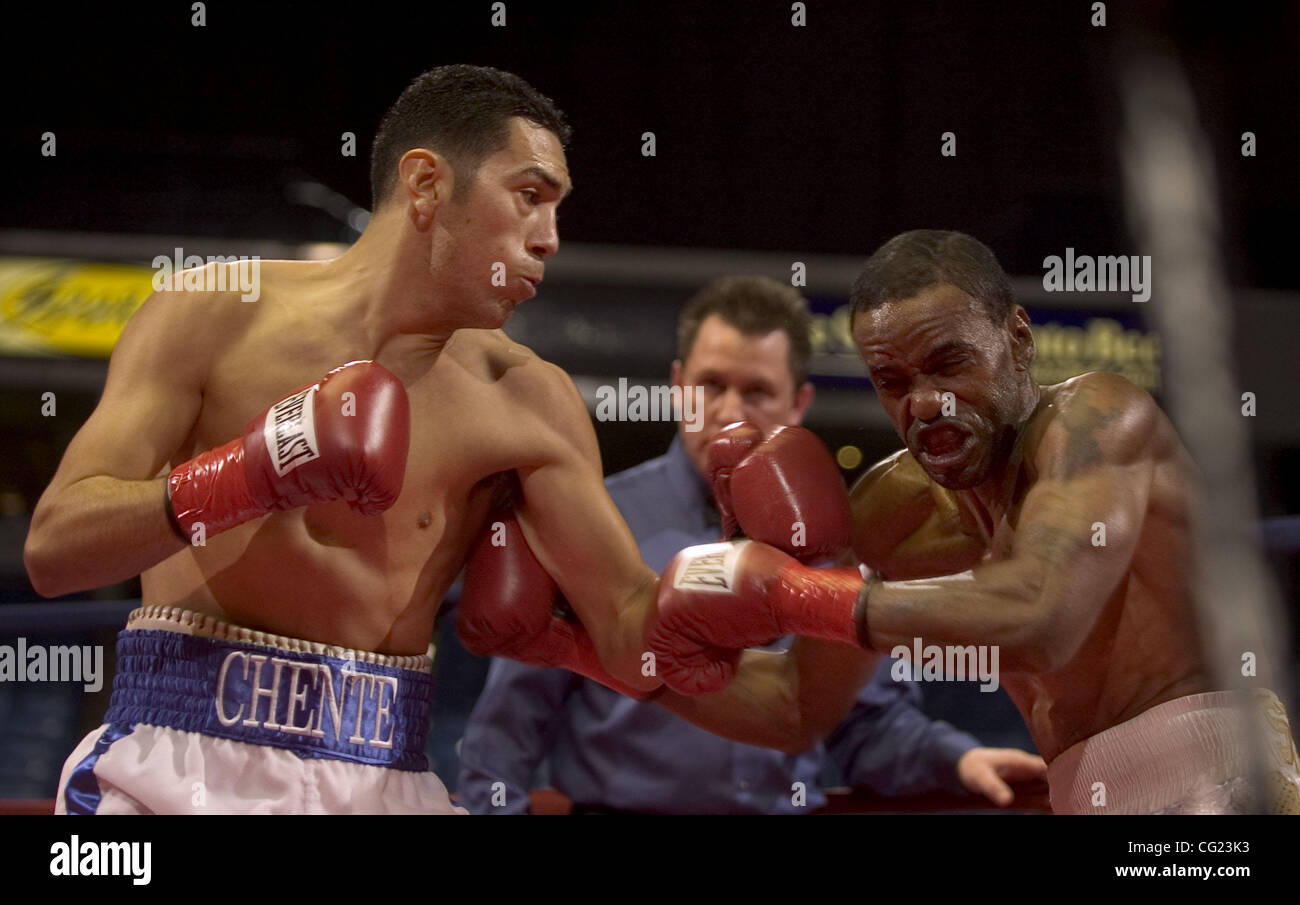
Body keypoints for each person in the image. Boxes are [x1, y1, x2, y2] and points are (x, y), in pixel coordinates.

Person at [25, 64, 669, 814]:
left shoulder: (529, 401)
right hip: (173, 761)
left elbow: (633, 630)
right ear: (426, 183)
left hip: (386, 777)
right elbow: (54, 550)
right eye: (530, 196)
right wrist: (249, 475)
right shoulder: (213, 311)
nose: (550, 239)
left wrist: (772, 614)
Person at [648, 230, 1300, 815]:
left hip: (1219, 777)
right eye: (892, 381)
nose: (925, 403)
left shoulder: (1099, 419)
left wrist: (798, 596)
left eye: (949, 363)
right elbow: (797, 703)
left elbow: (1044, 615)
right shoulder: (894, 509)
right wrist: (631, 659)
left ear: (1019, 340)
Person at [456, 277, 1043, 814]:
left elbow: (862, 722)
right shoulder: (596, 517)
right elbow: (508, 729)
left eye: (758, 391)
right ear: (679, 386)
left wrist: (955, 759)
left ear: (798, 404)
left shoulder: (835, 535)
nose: (730, 412)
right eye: (711, 385)